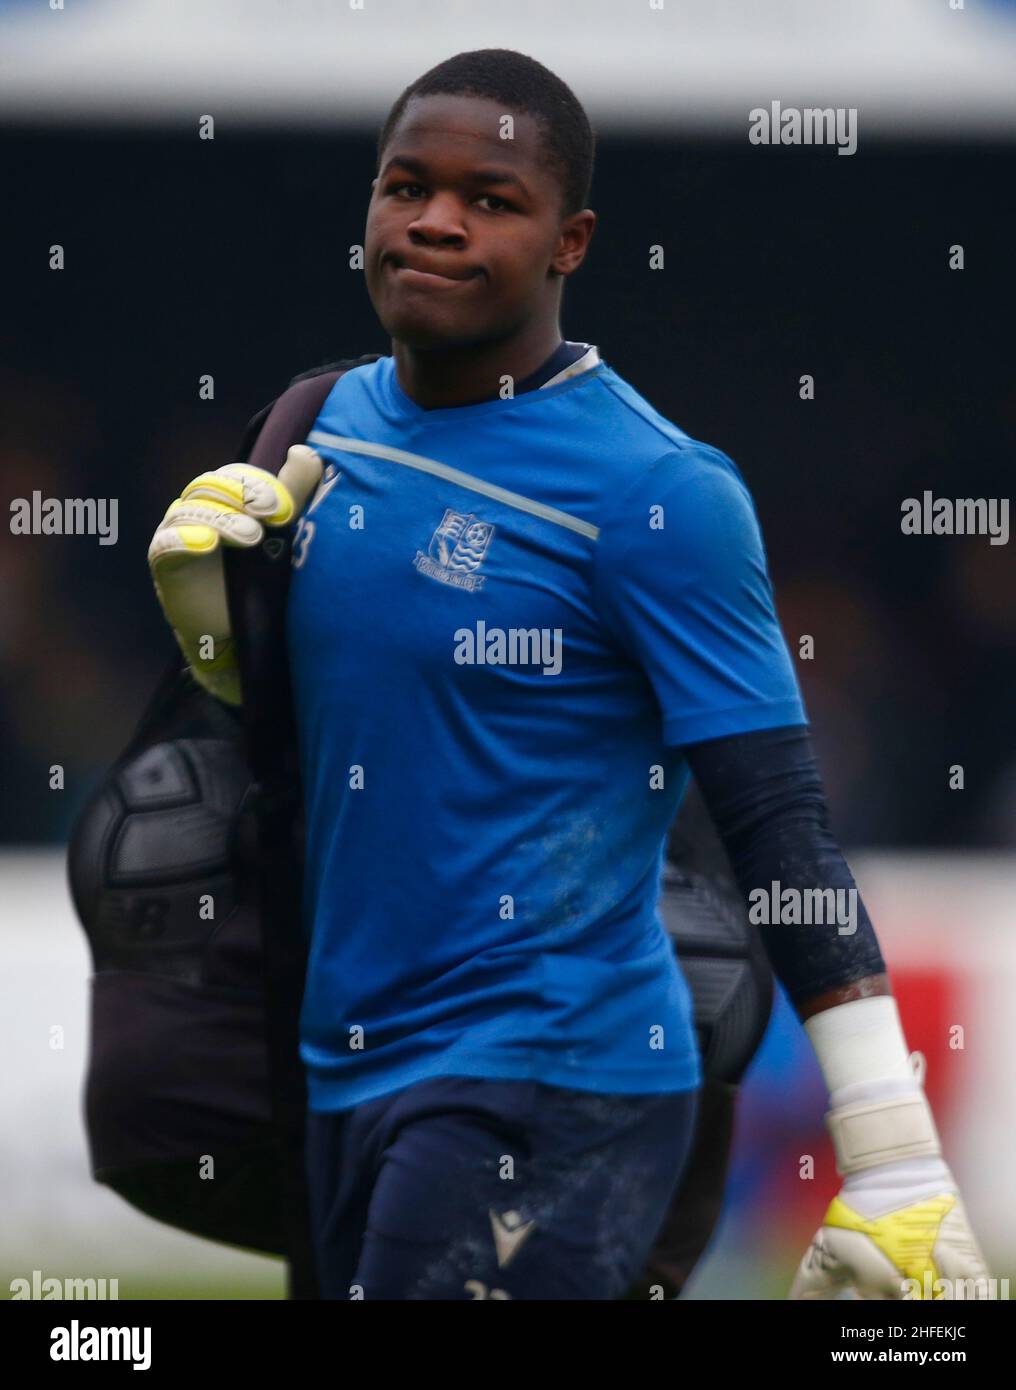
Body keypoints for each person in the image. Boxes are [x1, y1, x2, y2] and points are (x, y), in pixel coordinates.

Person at [147, 48, 989, 1300]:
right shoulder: (308, 426)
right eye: (404, 186)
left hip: (553, 1075)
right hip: (343, 1068)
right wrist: (212, 638)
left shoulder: (659, 491)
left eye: (489, 198)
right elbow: (310, 749)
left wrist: (889, 1150)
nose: (433, 220)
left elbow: (777, 823)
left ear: (571, 241)